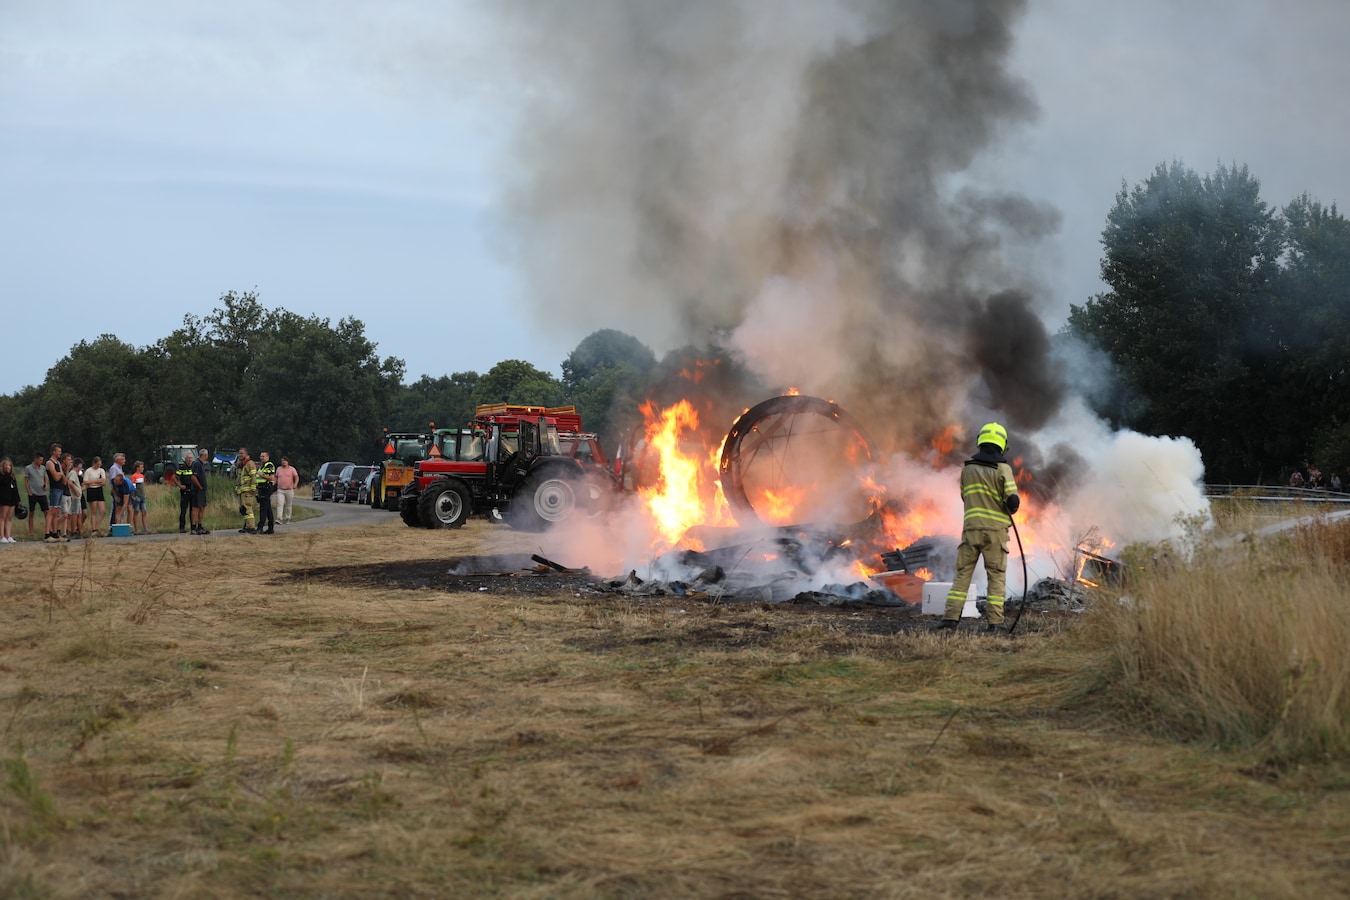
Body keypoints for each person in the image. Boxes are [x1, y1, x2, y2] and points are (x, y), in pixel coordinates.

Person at [938, 422, 1021, 634]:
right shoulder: (1003, 469)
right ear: (1001, 444)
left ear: (980, 442)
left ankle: (950, 620)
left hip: (971, 530)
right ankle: (995, 623)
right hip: (995, 532)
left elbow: (965, 496)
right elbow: (1012, 501)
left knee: (962, 574)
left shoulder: (967, 469)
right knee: (995, 576)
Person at [233, 447, 258, 533]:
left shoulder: (250, 464)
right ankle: (247, 525)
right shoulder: (241, 465)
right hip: (242, 491)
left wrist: (253, 488)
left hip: (248, 491)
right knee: (243, 509)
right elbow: (239, 478)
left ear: (246, 454)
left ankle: (251, 526)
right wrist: (236, 489)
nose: (240, 455)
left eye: (242, 453)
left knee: (248, 508)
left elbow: (253, 476)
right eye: (239, 453)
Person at [44, 443, 65, 542]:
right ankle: (47, 533)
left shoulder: (58, 463)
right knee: (52, 510)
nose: (60, 453)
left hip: (60, 488)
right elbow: (56, 477)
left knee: (57, 511)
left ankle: (55, 532)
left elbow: (63, 477)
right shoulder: (50, 463)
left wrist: (60, 473)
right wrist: (60, 474)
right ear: (53, 452)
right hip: (54, 489)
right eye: (58, 451)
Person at [23, 451, 47, 538]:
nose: (41, 462)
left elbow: (45, 478)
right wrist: (29, 491)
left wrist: (46, 485)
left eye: (42, 460)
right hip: (33, 493)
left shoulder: (43, 468)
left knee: (46, 511)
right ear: (36, 459)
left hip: (42, 493)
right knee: (32, 512)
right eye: (40, 460)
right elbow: (26, 480)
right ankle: (31, 531)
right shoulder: (28, 468)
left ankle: (47, 529)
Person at [83, 456, 107, 536]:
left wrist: (96, 482)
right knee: (94, 511)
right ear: (94, 463)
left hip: (99, 490)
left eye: (99, 464)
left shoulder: (101, 470)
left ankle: (97, 526)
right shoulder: (89, 471)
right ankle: (93, 529)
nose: (98, 466)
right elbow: (85, 482)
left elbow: (103, 482)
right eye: (97, 464)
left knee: (103, 511)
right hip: (91, 490)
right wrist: (96, 481)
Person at [255, 450, 277, 534]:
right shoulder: (262, 466)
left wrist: (262, 475)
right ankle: (271, 527)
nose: (261, 458)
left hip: (266, 488)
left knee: (263, 508)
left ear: (268, 457)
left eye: (263, 456)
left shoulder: (269, 465)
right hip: (261, 488)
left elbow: (271, 478)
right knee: (267, 509)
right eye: (261, 456)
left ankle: (260, 527)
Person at [190, 449, 210, 535]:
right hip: (197, 490)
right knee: (196, 508)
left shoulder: (201, 464)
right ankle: (193, 527)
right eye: (207, 455)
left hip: (202, 490)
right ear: (205, 455)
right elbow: (193, 477)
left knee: (202, 507)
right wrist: (200, 486)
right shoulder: (197, 463)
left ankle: (200, 526)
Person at [175, 452, 196, 534]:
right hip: (185, 491)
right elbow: (174, 477)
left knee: (193, 510)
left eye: (191, 458)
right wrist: (179, 485)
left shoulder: (194, 467)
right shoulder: (182, 467)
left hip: (193, 490)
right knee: (183, 510)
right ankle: (182, 527)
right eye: (188, 458)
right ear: (185, 459)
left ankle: (193, 527)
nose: (190, 459)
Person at [274, 455, 299, 524]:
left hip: (289, 489)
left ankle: (288, 518)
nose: (283, 462)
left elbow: (296, 477)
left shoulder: (292, 469)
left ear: (288, 462)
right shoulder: (279, 469)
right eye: (282, 461)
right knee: (280, 503)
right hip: (280, 489)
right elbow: (276, 477)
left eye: (284, 461)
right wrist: (273, 483)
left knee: (288, 504)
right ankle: (279, 518)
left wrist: (295, 484)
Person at [0, 457, 19, 543]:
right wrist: (7, 474)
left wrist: (17, 499)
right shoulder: (3, 476)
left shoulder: (12, 477)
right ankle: (2, 536)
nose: (8, 467)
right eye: (6, 465)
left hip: (12, 499)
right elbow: (4, 482)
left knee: (9, 518)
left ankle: (8, 535)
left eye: (10, 465)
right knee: (2, 517)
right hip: (4, 499)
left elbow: (15, 488)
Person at [128, 461, 149, 534]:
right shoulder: (134, 476)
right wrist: (134, 495)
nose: (142, 468)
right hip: (137, 496)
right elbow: (133, 486)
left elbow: (142, 487)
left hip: (142, 496)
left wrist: (144, 494)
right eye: (141, 467)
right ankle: (136, 528)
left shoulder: (142, 476)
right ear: (137, 468)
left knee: (144, 511)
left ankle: (145, 527)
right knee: (136, 511)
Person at [108, 453, 127, 526]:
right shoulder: (114, 468)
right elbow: (113, 481)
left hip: (122, 491)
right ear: (117, 460)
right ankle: (112, 526)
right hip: (117, 491)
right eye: (122, 459)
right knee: (115, 509)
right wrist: (115, 494)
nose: (124, 461)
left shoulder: (120, 468)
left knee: (120, 508)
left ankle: (119, 524)